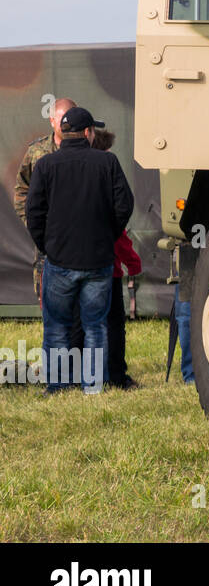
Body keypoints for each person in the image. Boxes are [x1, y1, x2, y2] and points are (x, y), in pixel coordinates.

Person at [25, 107, 134, 394]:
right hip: (98, 262)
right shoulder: (107, 162)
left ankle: (58, 386)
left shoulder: (46, 165)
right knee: (96, 326)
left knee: (57, 327)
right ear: (87, 133)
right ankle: (93, 386)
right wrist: (105, 236)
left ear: (62, 132)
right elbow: (125, 205)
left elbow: (33, 212)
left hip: (59, 261)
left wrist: (46, 245)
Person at [13, 97, 84, 352]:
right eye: (61, 118)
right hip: (48, 246)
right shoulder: (37, 152)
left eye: (70, 118)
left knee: (81, 309)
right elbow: (21, 191)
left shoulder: (88, 150)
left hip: (79, 243)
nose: (65, 123)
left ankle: (80, 362)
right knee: (52, 310)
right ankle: (56, 366)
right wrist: (34, 226)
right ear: (52, 120)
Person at [90, 127, 141, 390]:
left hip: (76, 266)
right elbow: (118, 235)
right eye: (107, 151)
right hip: (108, 272)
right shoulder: (107, 184)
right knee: (112, 325)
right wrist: (133, 262)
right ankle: (116, 376)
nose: (111, 155)